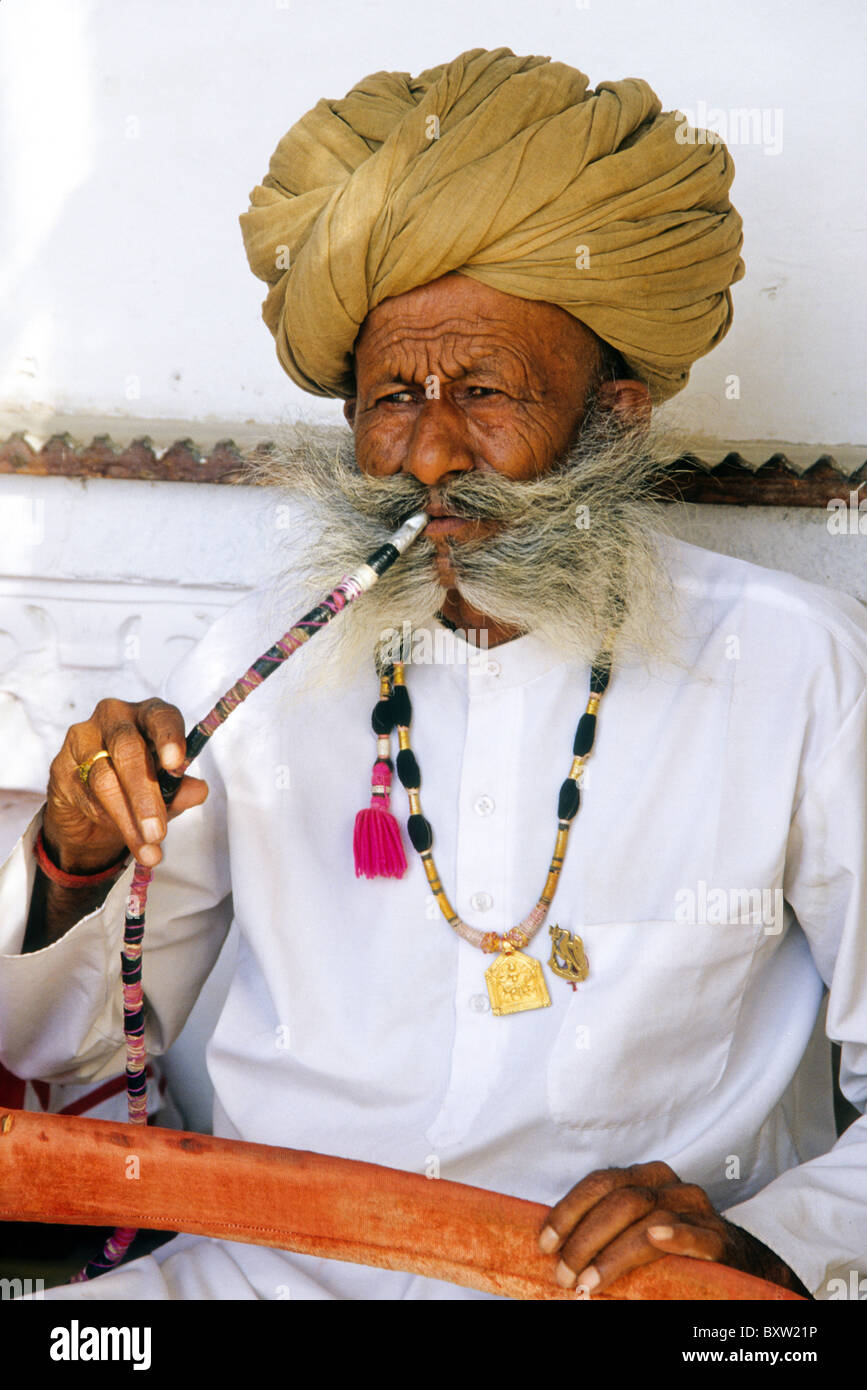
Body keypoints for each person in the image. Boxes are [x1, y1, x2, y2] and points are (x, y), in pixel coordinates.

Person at [1, 47, 865, 1301]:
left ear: (613, 418)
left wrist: (765, 1244)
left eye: (485, 392)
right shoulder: (259, 653)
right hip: (257, 1277)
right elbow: (55, 1042)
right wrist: (71, 860)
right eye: (393, 394)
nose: (430, 453)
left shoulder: (799, 666)